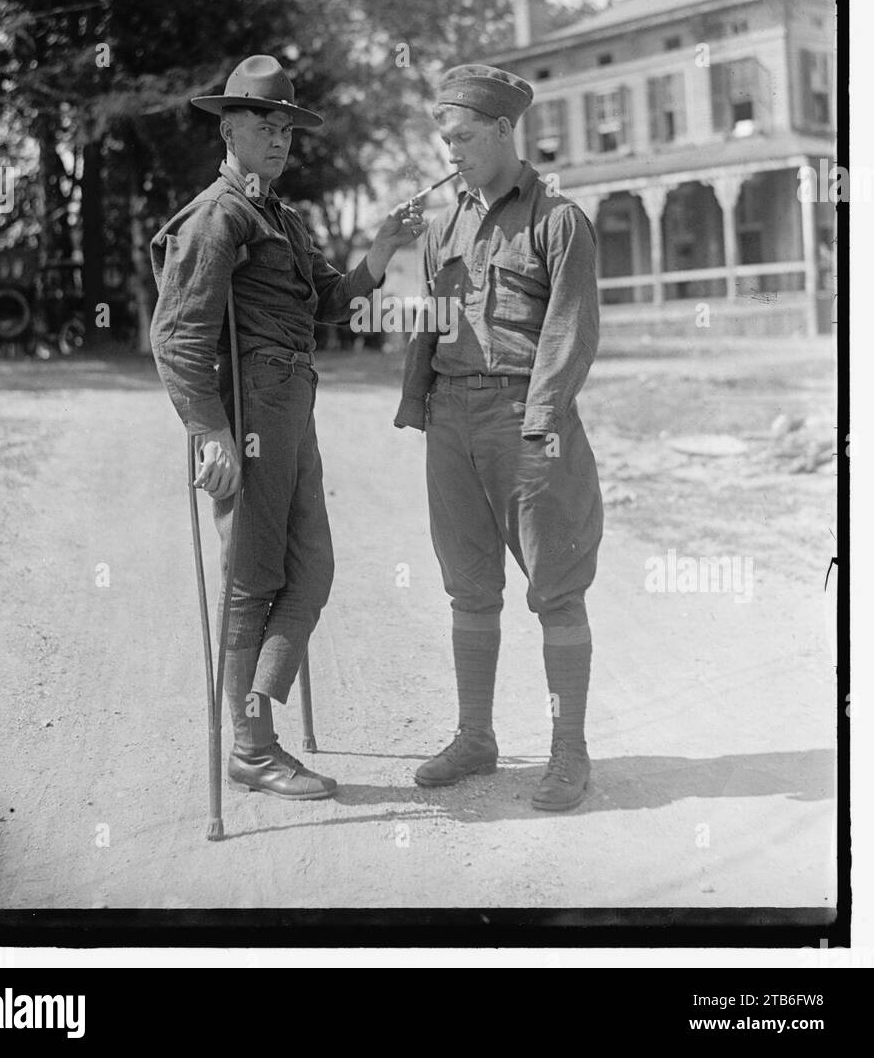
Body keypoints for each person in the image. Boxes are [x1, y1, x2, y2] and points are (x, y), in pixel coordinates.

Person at [150, 54, 424, 801]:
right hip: (248, 414)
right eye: (264, 126)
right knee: (251, 579)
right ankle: (251, 746)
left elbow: (331, 304)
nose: (279, 140)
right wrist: (209, 435)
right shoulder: (218, 217)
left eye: (287, 129)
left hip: (294, 404)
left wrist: (380, 252)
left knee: (314, 569)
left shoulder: (282, 217)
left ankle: (256, 715)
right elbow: (177, 338)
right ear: (230, 128)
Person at [394, 64, 604, 810]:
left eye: (462, 138)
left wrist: (541, 423)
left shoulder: (558, 220)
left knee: (556, 589)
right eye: (444, 140)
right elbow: (430, 321)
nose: (450, 153)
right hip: (452, 419)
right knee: (469, 587)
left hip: (526, 420)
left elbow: (571, 332)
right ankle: (475, 737)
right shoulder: (443, 224)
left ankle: (568, 751)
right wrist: (420, 406)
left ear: (505, 130)